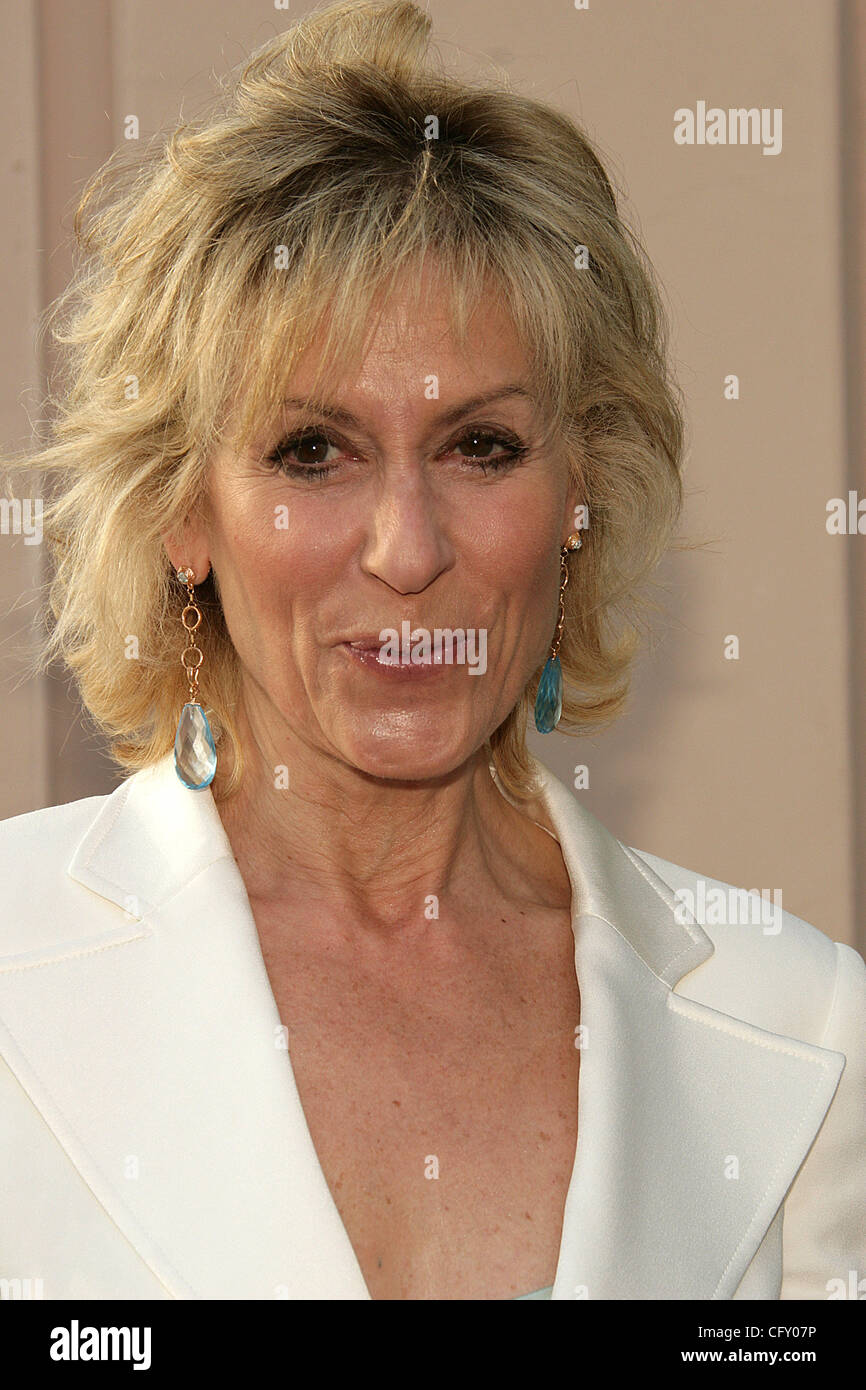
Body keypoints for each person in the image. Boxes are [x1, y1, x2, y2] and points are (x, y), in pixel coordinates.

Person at [0, 0, 863, 1301]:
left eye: (480, 446)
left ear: (580, 499)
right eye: (312, 451)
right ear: (183, 512)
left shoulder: (804, 1027)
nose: (407, 548)